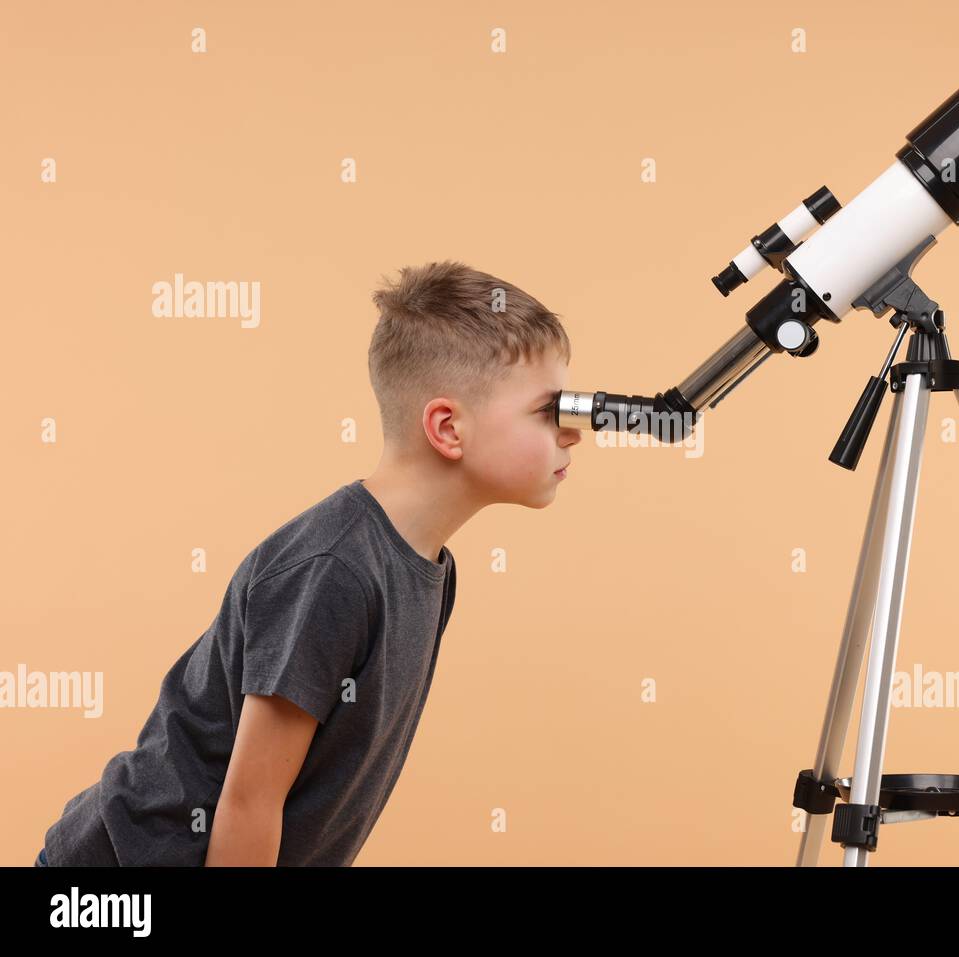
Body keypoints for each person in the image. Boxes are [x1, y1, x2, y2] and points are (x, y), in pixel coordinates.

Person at [37, 261, 581, 865]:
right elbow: (249, 804)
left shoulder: (427, 566)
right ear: (448, 427)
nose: (574, 433)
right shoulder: (334, 571)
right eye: (548, 411)